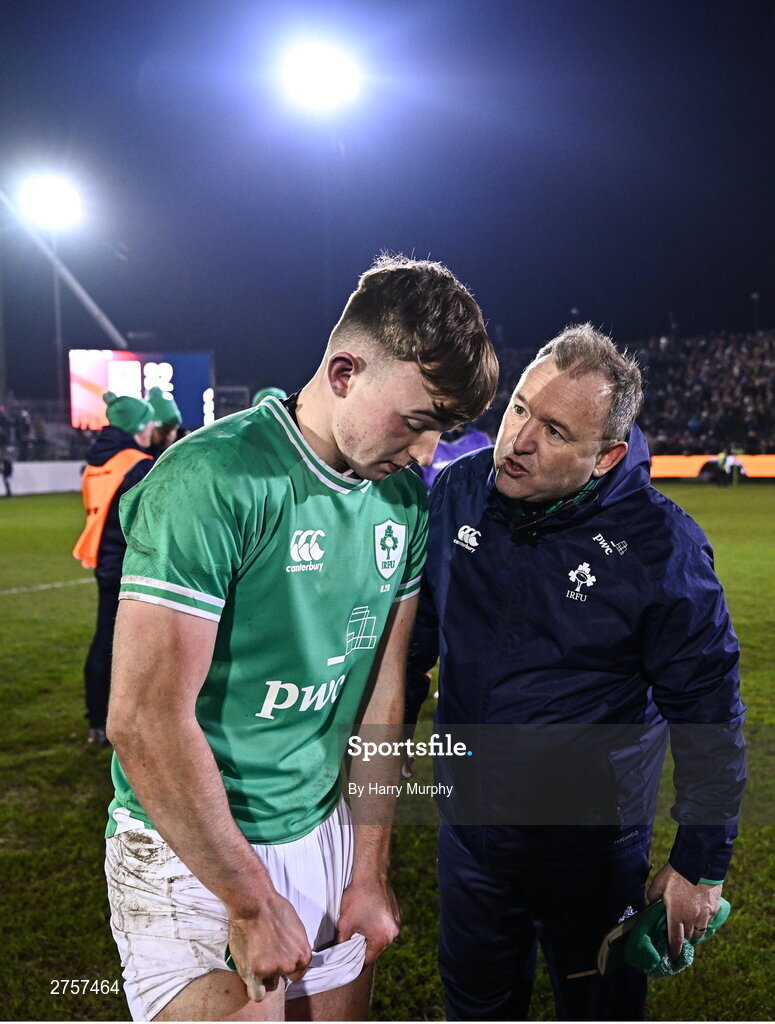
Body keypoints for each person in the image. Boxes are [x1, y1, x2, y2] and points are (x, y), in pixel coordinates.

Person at [104, 254, 499, 1022]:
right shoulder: (210, 482)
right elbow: (143, 720)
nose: (426, 454)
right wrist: (249, 901)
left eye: (444, 431)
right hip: (188, 841)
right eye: (419, 422)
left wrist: (369, 869)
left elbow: (386, 698)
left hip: (321, 831)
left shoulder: (401, 503)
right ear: (345, 371)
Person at [406, 323, 745, 1021]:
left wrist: (700, 863)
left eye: (555, 430)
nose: (519, 439)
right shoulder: (461, 492)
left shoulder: (660, 550)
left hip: (590, 848)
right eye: (519, 408)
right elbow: (415, 645)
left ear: (605, 457)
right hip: (467, 831)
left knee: (598, 1010)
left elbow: (709, 716)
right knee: (472, 1006)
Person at [72, 392, 155, 746]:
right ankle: (126, 722)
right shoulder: (138, 463)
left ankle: (96, 720)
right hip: (131, 566)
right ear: (138, 425)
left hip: (104, 562)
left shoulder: (95, 462)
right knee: (132, 649)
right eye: (148, 422)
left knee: (104, 640)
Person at [147, 385, 182, 457]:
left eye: (173, 429)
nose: (169, 436)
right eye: (163, 431)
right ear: (150, 429)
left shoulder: (183, 449)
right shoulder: (142, 459)